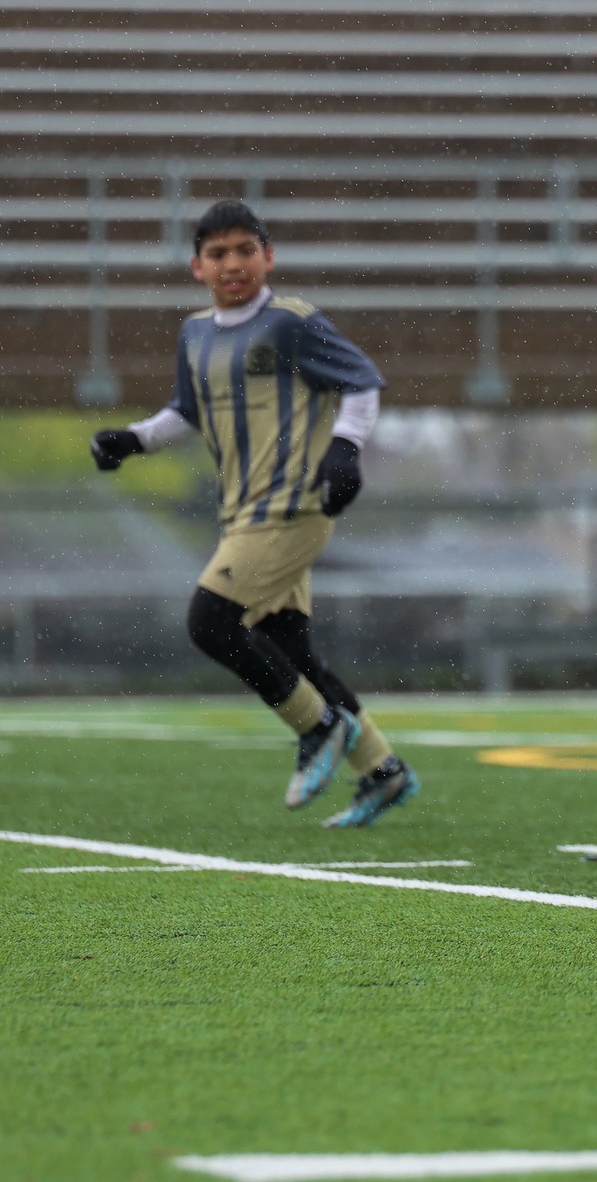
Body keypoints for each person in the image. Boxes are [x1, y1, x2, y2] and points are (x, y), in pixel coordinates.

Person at [89, 200, 419, 827]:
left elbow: (362, 381)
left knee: (210, 620)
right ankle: (382, 769)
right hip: (243, 514)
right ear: (197, 266)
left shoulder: (292, 323)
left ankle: (317, 728)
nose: (233, 263)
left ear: (269, 257)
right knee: (293, 657)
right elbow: (187, 413)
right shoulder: (195, 333)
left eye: (245, 250)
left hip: (293, 507)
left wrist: (345, 450)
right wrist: (131, 439)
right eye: (218, 253)